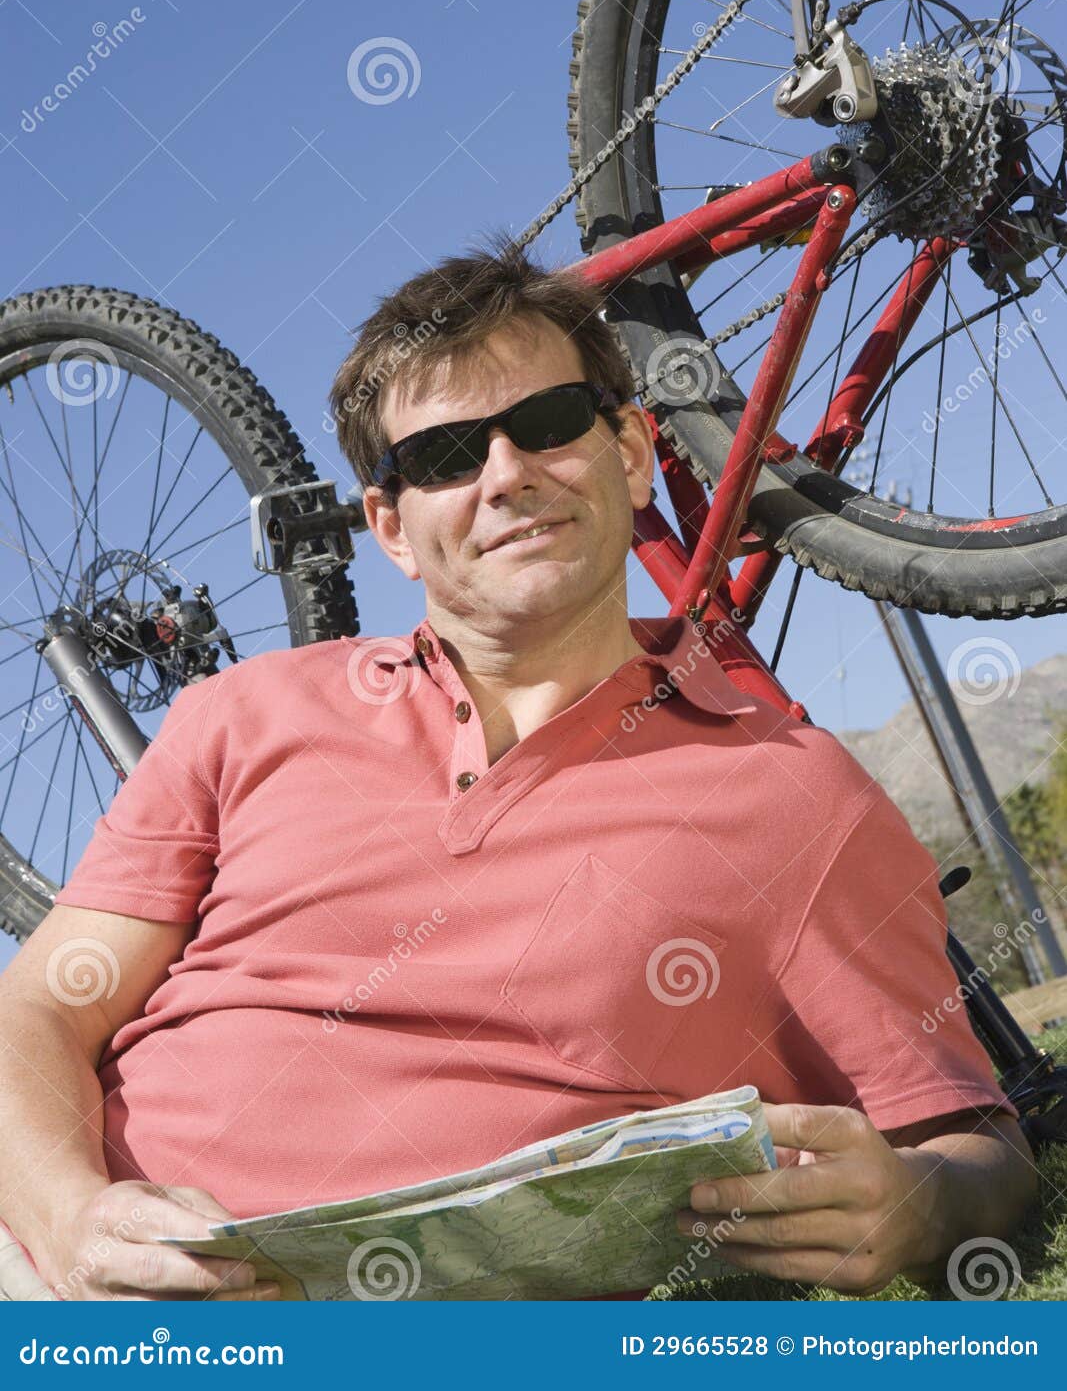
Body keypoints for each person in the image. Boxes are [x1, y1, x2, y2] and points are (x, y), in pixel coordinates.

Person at [0, 234, 1036, 1301]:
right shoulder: (241, 715)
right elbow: (33, 1014)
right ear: (391, 527)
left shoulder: (796, 792)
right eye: (447, 455)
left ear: (629, 453)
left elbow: (974, 1143)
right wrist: (69, 1219)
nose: (506, 476)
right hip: (68, 1286)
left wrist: (919, 1202)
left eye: (546, 426)